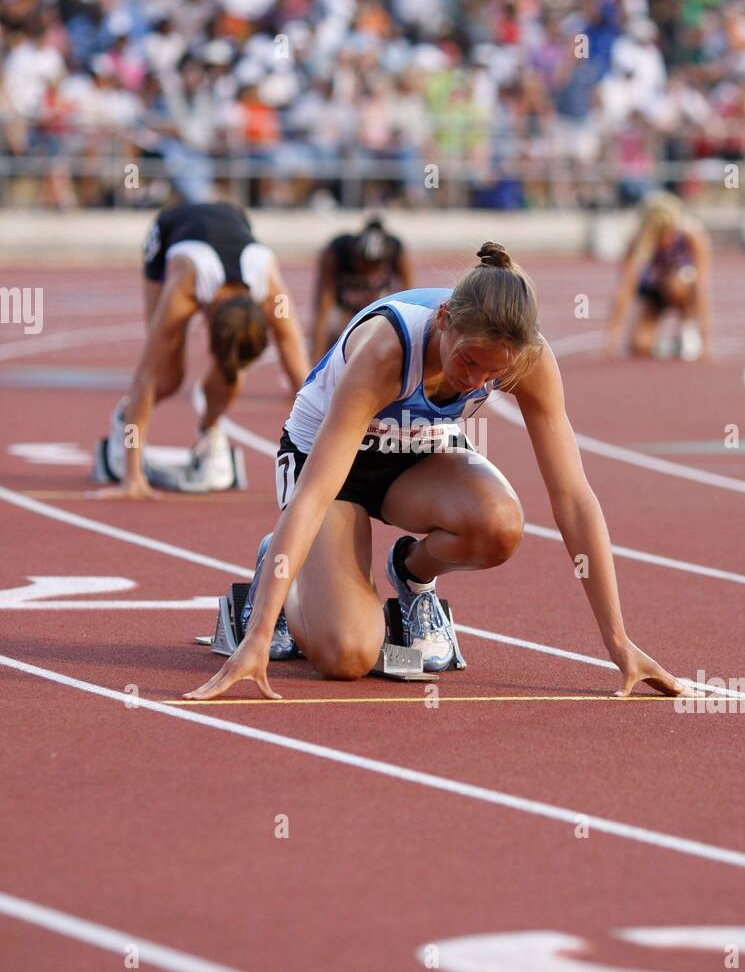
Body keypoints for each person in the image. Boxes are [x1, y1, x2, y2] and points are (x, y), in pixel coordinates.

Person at [184, 242, 683, 701]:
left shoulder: (526, 357)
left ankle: (411, 576)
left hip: (419, 454)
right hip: (331, 461)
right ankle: (270, 585)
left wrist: (618, 642)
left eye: (494, 374)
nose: (476, 381)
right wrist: (257, 637)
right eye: (468, 362)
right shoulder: (387, 350)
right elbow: (316, 492)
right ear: (444, 320)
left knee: (500, 525)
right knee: (346, 656)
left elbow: (573, 498)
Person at [100, 200, 310, 499]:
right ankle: (125, 422)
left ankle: (209, 430)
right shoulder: (183, 289)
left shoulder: (273, 295)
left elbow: (304, 386)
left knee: (230, 373)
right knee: (167, 377)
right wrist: (132, 477)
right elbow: (144, 378)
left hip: (234, 215)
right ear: (208, 321)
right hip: (172, 229)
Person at [606, 192, 711, 360]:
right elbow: (625, 289)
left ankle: (686, 327)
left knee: (676, 283)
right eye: (660, 234)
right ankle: (668, 345)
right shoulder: (638, 241)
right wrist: (612, 338)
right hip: (654, 294)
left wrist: (706, 340)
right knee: (640, 345)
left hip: (683, 290)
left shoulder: (692, 237)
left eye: (669, 233)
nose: (666, 239)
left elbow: (701, 288)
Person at [310, 215, 410, 362]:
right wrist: (315, 361)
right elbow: (323, 310)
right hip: (343, 309)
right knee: (335, 336)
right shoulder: (336, 253)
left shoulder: (396, 252)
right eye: (364, 264)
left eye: (374, 267)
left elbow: (407, 299)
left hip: (377, 304)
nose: (368, 272)